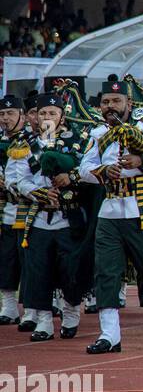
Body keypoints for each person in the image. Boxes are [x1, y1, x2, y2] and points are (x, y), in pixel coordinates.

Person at [78, 75, 143, 353]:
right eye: (106, 102)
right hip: (110, 210)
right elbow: (83, 169)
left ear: (128, 103)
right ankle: (109, 334)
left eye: (116, 101)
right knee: (106, 272)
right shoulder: (98, 134)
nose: (110, 106)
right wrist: (102, 172)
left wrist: (142, 161)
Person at [10, 93, 93, 341]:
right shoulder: (24, 144)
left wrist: (71, 179)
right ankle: (44, 321)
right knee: (38, 271)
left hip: (70, 218)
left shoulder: (78, 141)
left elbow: (88, 171)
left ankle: (70, 312)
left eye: (52, 113)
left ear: (62, 117)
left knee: (70, 269)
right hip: (39, 218)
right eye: (43, 113)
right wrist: (39, 193)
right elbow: (17, 179)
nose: (47, 118)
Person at [0, 95, 26, 326]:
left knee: (30, 260)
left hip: (30, 208)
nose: (6, 118)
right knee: (6, 258)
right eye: (2, 114)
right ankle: (8, 306)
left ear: (22, 115)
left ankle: (39, 309)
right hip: (6, 208)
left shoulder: (33, 140)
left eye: (10, 113)